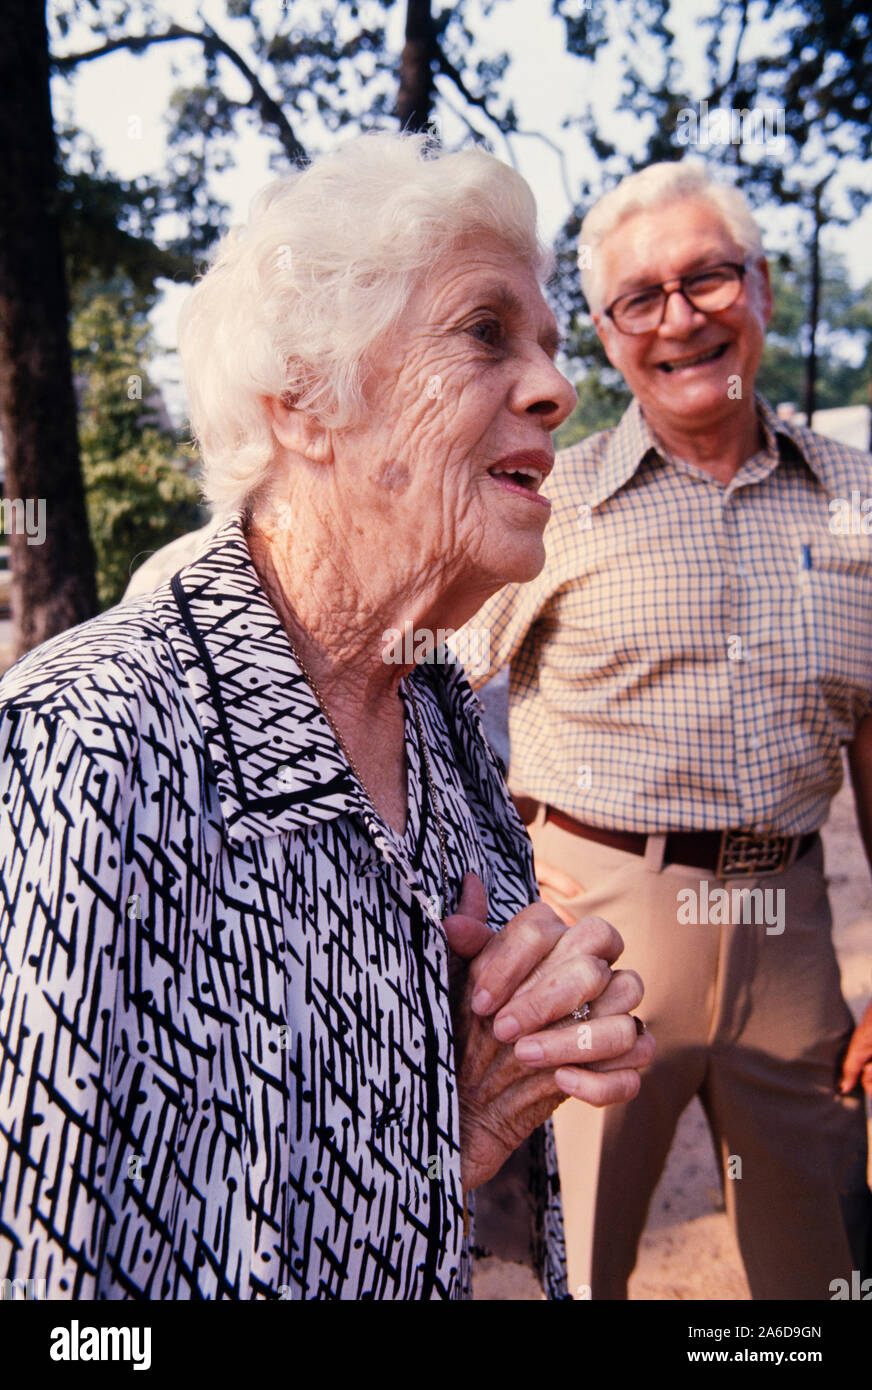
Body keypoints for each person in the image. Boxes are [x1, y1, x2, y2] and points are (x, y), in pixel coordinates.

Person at [0, 132, 654, 1301]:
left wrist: (474, 1116)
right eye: (483, 332)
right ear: (304, 402)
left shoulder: (444, 729)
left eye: (552, 346)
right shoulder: (83, 742)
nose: (560, 389)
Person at [467, 160, 872, 1300]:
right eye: (638, 298)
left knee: (820, 1275)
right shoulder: (550, 499)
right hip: (591, 934)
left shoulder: (859, 503)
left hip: (789, 934)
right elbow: (421, 697)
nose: (679, 318)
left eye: (706, 278)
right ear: (602, 333)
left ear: (762, 289)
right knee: (567, 1262)